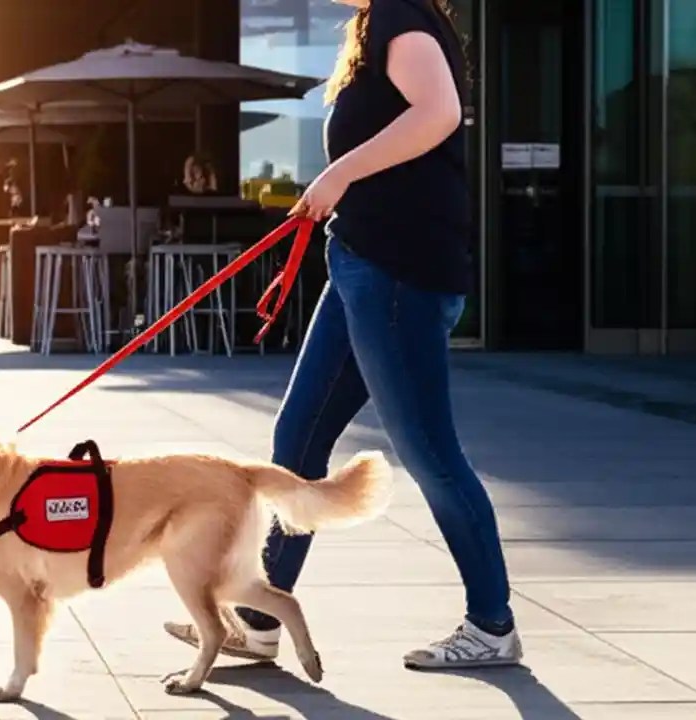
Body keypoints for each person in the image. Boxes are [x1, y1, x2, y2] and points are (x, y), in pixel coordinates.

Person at [163, 0, 521, 670]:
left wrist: (339, 172)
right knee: (296, 441)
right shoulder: (374, 26)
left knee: (430, 454)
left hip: (397, 273)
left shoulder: (401, 18)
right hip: (361, 263)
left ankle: (492, 622)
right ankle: (260, 619)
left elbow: (438, 114)